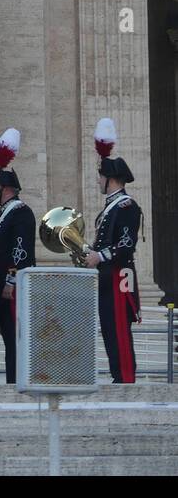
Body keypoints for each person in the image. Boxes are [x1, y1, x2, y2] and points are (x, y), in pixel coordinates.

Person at [86, 118, 144, 384]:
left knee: (119, 331)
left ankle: (125, 382)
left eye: (100, 176)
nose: (97, 180)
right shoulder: (110, 208)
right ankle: (118, 378)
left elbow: (125, 244)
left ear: (110, 179)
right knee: (110, 330)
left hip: (121, 277)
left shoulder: (126, 206)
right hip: (108, 279)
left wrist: (99, 256)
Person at [0, 128, 35, 383]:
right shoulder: (4, 213)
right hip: (0, 288)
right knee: (8, 336)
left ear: (5, 188)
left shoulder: (20, 212)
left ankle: (18, 381)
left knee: (17, 336)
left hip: (13, 288)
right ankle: (12, 380)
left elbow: (20, 250)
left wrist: (11, 281)